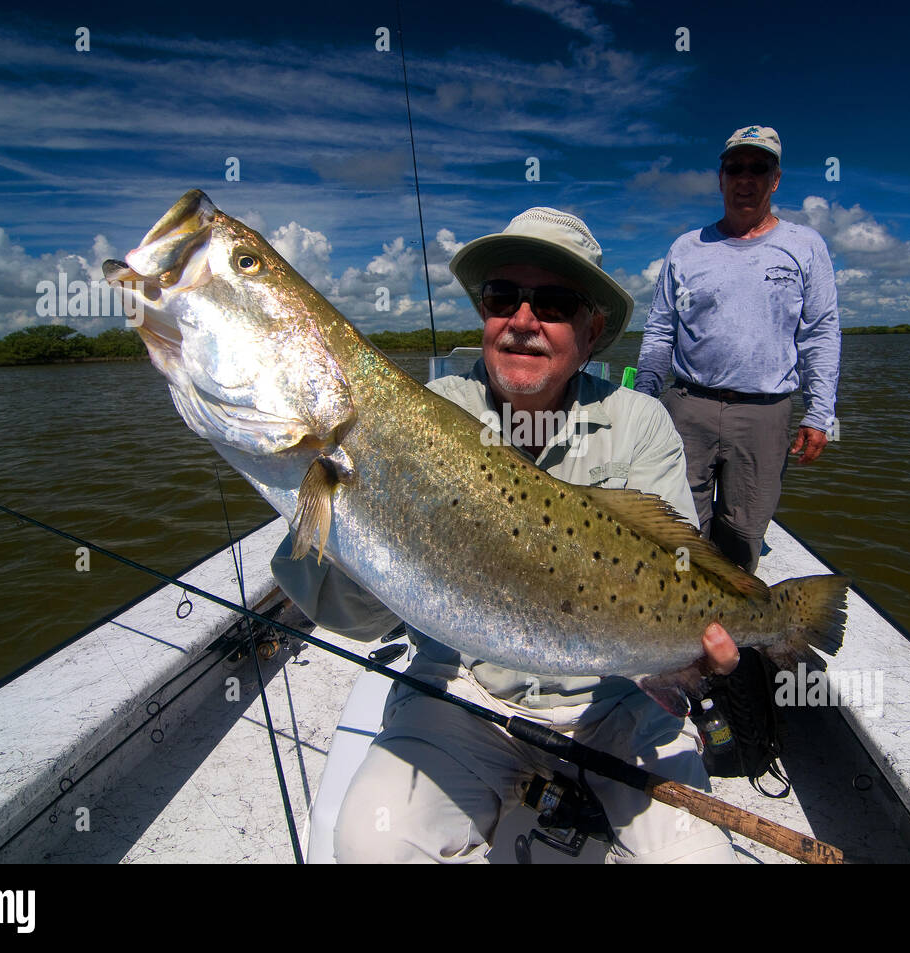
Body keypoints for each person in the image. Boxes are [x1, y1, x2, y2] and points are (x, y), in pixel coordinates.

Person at [270, 207, 739, 863]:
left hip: (615, 704)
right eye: (501, 297)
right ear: (485, 315)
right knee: (368, 843)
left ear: (592, 328)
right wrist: (325, 504)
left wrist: (697, 646)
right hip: (461, 693)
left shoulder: (640, 423)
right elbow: (358, 616)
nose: (522, 319)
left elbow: (676, 566)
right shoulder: (425, 414)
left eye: (552, 301)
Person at [636, 125, 840, 575]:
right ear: (721, 177)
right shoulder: (686, 248)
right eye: (735, 168)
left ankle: (737, 632)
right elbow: (659, 331)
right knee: (675, 528)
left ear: (776, 178)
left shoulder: (805, 246)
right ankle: (681, 633)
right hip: (687, 405)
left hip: (765, 413)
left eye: (758, 168)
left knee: (745, 532)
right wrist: (644, 402)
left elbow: (820, 334)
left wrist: (819, 412)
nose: (746, 178)